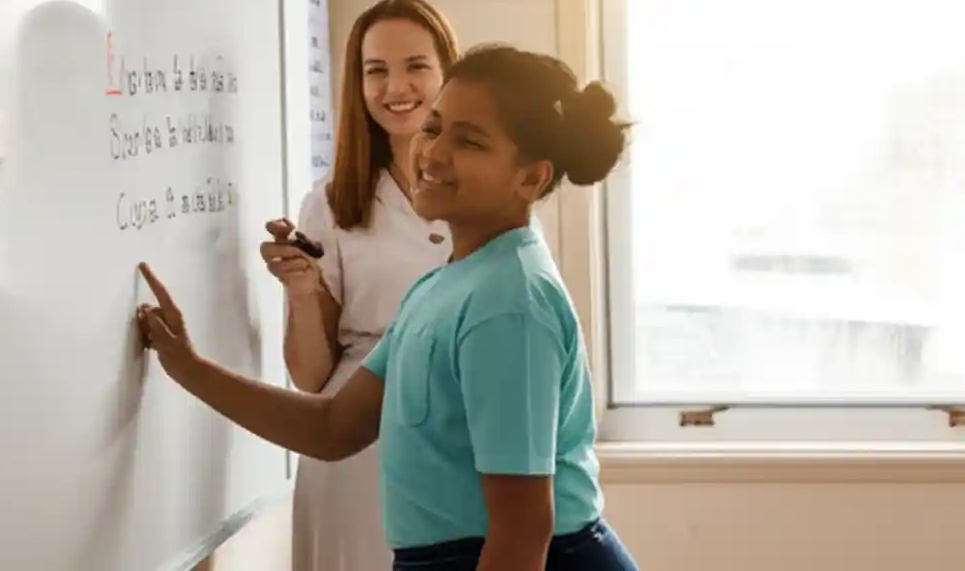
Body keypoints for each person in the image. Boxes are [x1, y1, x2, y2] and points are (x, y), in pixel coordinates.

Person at [138, 44, 639, 570]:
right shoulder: (443, 285)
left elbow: (522, 531)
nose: (433, 153)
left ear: (531, 178)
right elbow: (332, 428)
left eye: (468, 141)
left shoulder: (509, 303)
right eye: (434, 127)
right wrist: (188, 367)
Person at [262, 0, 460, 570]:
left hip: (458, 431)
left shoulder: (486, 185)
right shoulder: (331, 202)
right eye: (376, 71)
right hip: (355, 445)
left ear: (448, 72)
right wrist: (303, 292)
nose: (396, 87)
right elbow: (311, 378)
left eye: (416, 66)